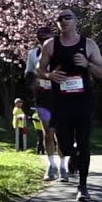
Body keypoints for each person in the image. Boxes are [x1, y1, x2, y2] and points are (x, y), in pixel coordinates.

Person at [38, 7, 102, 201]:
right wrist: (49, 75)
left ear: (76, 21)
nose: (63, 20)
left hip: (83, 100)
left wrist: (87, 64)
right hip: (60, 101)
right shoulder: (50, 45)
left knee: (84, 141)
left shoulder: (89, 45)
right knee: (65, 144)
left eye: (67, 17)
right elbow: (40, 69)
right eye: (59, 18)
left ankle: (83, 187)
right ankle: (73, 155)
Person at [25, 26, 63, 179]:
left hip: (60, 95)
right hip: (43, 96)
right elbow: (28, 73)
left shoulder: (60, 53)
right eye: (41, 39)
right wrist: (34, 83)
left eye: (47, 39)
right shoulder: (33, 54)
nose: (44, 42)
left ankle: (63, 165)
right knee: (48, 132)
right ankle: (51, 166)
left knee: (61, 133)